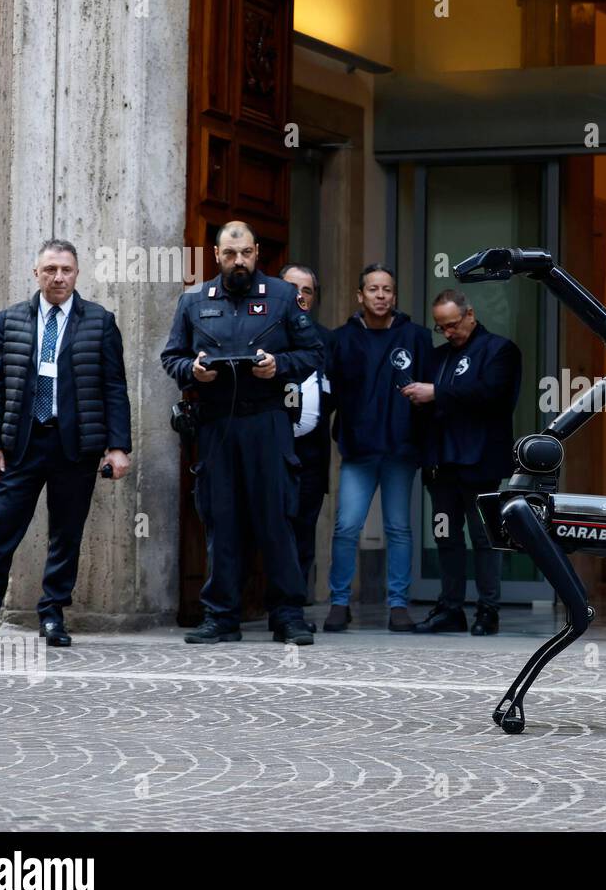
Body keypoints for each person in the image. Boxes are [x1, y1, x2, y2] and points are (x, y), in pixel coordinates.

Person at [161, 221, 325, 645]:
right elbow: (171, 356)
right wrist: (191, 371)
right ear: (217, 256)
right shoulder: (194, 301)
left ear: (257, 253)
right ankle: (221, 617)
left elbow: (313, 352)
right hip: (217, 424)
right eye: (230, 254)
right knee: (222, 520)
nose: (239, 261)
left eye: (246, 253)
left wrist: (280, 367)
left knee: (276, 518)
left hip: (268, 421)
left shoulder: (284, 297)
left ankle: (287, 615)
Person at [0, 239, 132, 647]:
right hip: (21, 445)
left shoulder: (100, 321)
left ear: (77, 274)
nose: (58, 277)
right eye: (51, 270)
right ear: (36, 273)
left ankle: (53, 615)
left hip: (74, 446)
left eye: (66, 270)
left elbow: (114, 386)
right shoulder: (9, 321)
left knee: (66, 534)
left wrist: (118, 446)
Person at [401, 290, 522, 635]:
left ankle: (488, 610)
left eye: (453, 325)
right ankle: (449, 608)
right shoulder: (437, 357)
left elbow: (492, 396)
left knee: (484, 539)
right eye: (441, 327)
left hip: (479, 463)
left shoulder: (500, 350)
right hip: (440, 465)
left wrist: (436, 393)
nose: (449, 333)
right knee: (445, 537)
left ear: (470, 314)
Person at [325, 263, 432, 633]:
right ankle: (339, 602)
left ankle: (398, 606)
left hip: (401, 450)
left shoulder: (416, 337)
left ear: (395, 295)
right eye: (373, 289)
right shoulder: (341, 339)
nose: (381, 295)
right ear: (360, 295)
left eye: (387, 289)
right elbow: (329, 394)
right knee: (346, 527)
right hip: (358, 450)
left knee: (399, 528)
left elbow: (431, 393)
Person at [269, 263, 334, 629]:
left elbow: (336, 393)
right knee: (268, 530)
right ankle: (263, 606)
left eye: (306, 290)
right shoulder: (262, 334)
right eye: (291, 287)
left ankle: (293, 610)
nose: (298, 295)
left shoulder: (328, 339)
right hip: (270, 453)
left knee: (304, 533)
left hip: (311, 456)